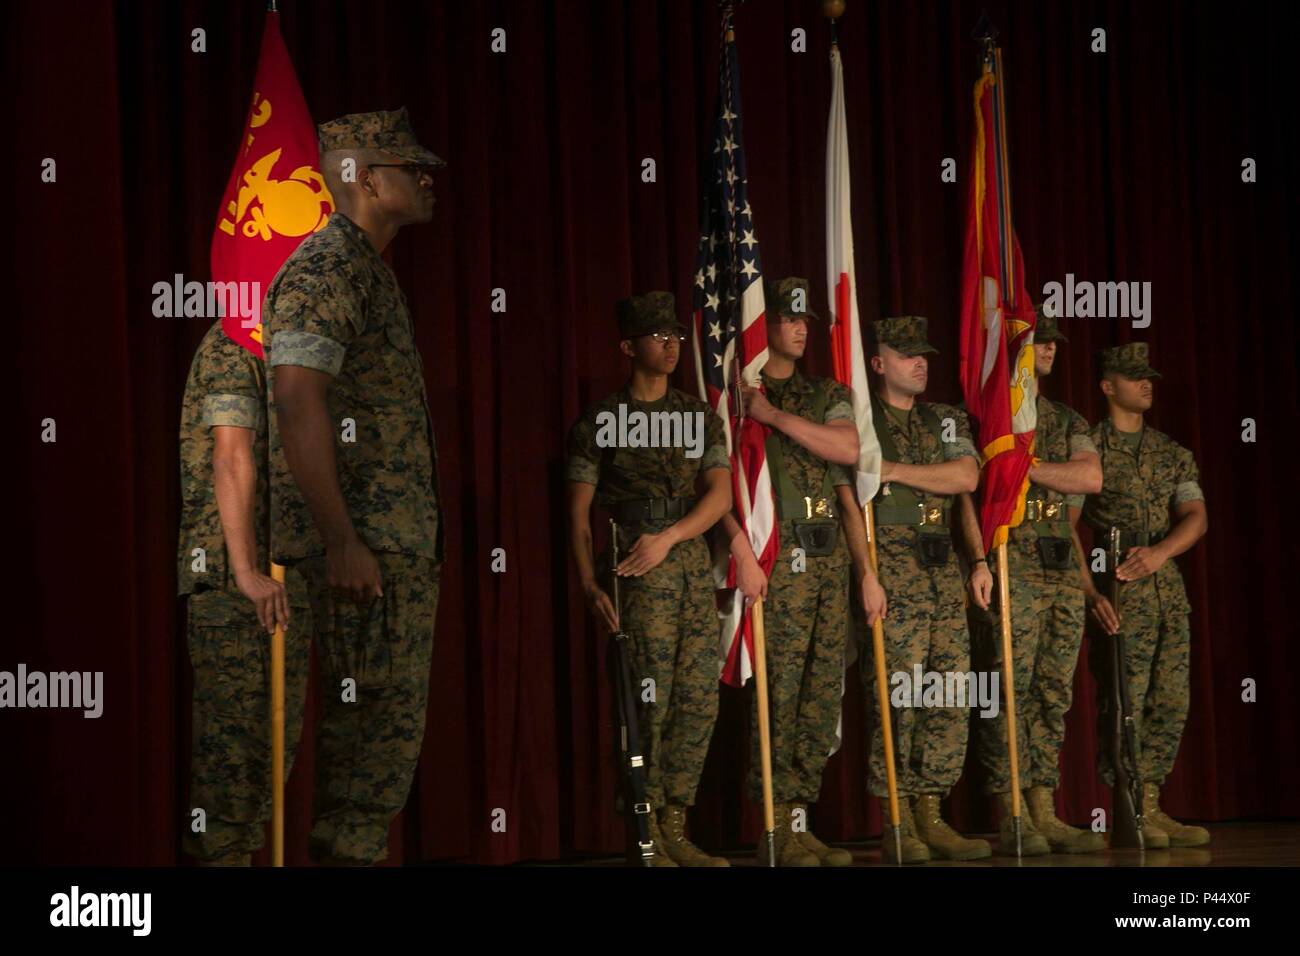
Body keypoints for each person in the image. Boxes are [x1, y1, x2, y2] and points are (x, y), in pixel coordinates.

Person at [263, 107, 445, 865]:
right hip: (363, 553)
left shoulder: (367, 268)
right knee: (364, 758)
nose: (426, 180)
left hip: (389, 547)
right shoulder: (328, 266)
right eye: (409, 168)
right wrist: (342, 540)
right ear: (366, 179)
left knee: (379, 757)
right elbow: (297, 397)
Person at [566, 291, 733, 867]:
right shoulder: (601, 421)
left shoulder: (697, 416)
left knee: (697, 701)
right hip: (636, 570)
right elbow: (579, 512)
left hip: (684, 562)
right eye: (658, 337)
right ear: (627, 347)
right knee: (649, 700)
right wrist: (590, 584)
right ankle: (645, 832)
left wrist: (674, 536)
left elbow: (721, 495)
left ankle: (675, 826)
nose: (670, 347)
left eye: (677, 338)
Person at [725, 276, 884, 866]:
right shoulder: (741, 392)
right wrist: (758, 409)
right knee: (779, 697)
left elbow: (846, 455)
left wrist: (866, 573)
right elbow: (725, 481)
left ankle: (798, 818)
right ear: (763, 327)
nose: (800, 327)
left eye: (806, 320)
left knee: (820, 697)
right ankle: (772, 823)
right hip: (777, 560)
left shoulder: (825, 392)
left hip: (828, 565)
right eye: (789, 318)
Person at [958, 308, 1105, 854]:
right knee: (1008, 689)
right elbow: (968, 494)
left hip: (1060, 569)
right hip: (1009, 564)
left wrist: (1027, 466)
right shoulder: (989, 417)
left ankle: (1044, 802)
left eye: (1052, 344)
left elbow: (1089, 476)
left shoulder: (1066, 419)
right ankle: (1011, 808)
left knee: (1051, 692)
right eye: (1038, 343)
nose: (1048, 350)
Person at [177, 319, 311, 866]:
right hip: (237, 588)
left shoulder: (287, 342)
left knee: (267, 765)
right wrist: (245, 571)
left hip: (280, 581)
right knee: (231, 772)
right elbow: (230, 455)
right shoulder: (235, 341)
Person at [863, 316, 987, 863]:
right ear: (877, 363)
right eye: (906, 353)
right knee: (898, 695)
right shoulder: (863, 420)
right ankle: (898, 817)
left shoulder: (946, 419)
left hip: (943, 567)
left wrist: (891, 469)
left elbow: (964, 480)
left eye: (925, 354)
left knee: (949, 693)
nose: (920, 362)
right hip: (891, 565)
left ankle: (932, 812)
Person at [1081, 342, 1209, 847]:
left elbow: (1197, 517)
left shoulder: (1171, 451)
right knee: (1123, 700)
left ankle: (1152, 804)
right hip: (1118, 585)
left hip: (1165, 587)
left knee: (1169, 699)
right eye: (1134, 378)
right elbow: (1068, 526)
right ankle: (1127, 808)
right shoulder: (1087, 449)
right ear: (1108, 386)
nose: (1146, 384)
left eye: (1149, 377)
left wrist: (1160, 553)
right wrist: (1091, 591)